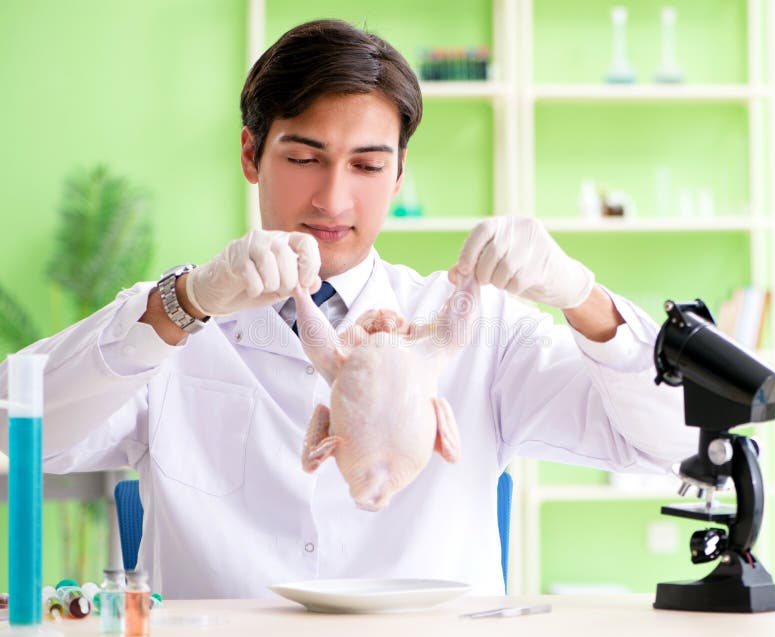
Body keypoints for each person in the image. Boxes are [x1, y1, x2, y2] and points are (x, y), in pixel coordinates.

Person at [0, 19, 693, 598]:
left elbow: (674, 444)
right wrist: (184, 303)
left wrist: (584, 298)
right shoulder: (178, 319)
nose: (332, 200)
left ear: (399, 176)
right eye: (305, 157)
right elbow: (20, 430)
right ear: (251, 152)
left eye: (366, 166)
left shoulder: (480, 333)